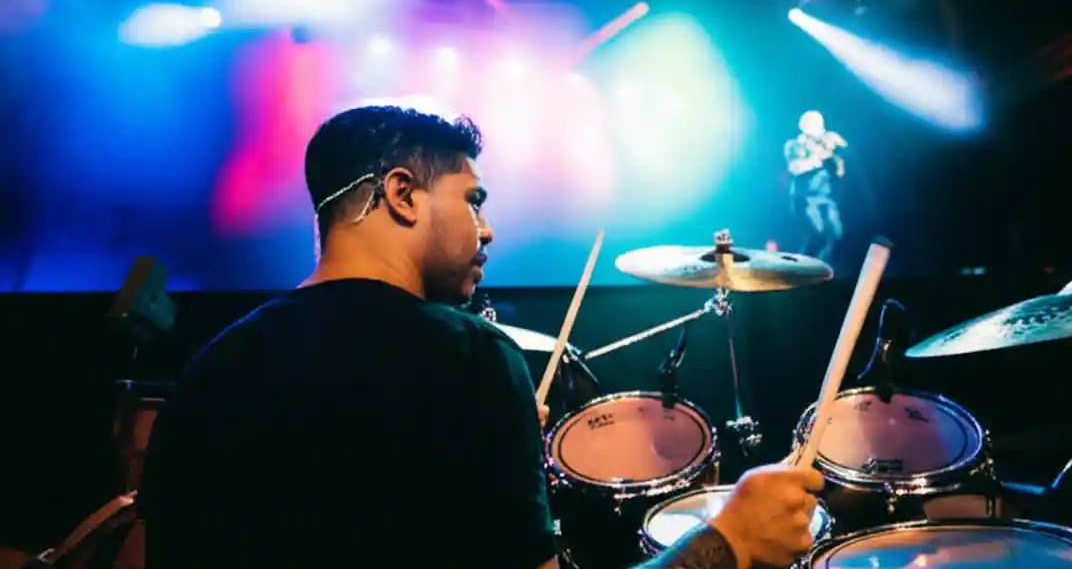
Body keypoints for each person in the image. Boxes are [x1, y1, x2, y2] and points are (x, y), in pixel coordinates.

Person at [141, 105, 823, 569]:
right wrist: (728, 539)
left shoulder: (210, 373)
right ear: (403, 194)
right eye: (473, 199)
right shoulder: (468, 358)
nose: (487, 229)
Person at [784, 110, 847, 263]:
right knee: (817, 235)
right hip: (804, 199)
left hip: (825, 198)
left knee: (835, 233)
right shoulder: (794, 146)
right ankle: (803, 267)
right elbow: (795, 168)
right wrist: (818, 158)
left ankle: (825, 269)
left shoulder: (825, 143)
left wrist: (834, 150)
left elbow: (843, 155)